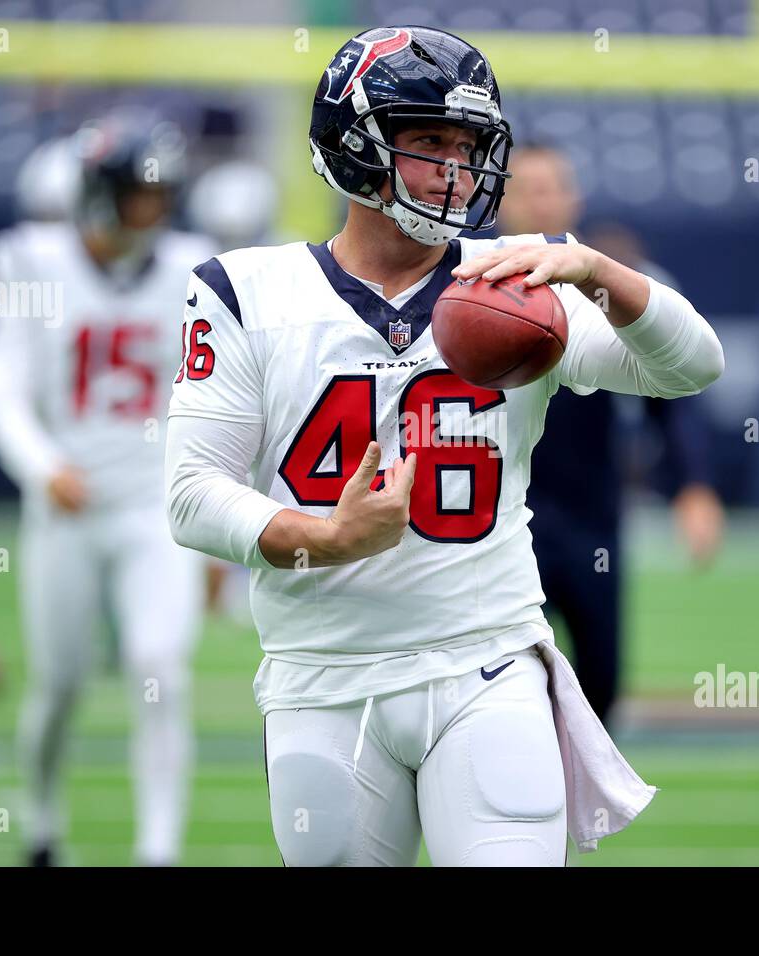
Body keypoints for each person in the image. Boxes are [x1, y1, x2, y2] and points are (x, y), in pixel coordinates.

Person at [165, 26, 723, 866]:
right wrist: (324, 536)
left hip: (485, 662)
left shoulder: (517, 284)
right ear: (354, 146)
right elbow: (190, 493)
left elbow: (692, 368)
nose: (457, 167)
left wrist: (599, 273)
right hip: (323, 679)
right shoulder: (245, 291)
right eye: (429, 140)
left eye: (470, 144)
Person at [0, 115, 214, 865]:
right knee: (59, 687)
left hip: (155, 505)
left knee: (159, 671)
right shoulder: (30, 259)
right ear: (101, 194)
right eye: (141, 194)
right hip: (66, 506)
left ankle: (157, 853)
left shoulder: (193, 266)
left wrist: (216, 514)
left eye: (161, 195)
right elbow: (2, 384)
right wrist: (44, 465)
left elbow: (216, 397)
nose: (154, 210)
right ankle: (42, 826)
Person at [497, 144, 724, 726]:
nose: (542, 200)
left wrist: (693, 486)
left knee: (602, 685)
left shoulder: (615, 286)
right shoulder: (472, 286)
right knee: (505, 685)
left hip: (594, 512)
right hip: (505, 516)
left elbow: (672, 402)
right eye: (528, 187)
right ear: (500, 196)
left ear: (574, 196)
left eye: (553, 186)